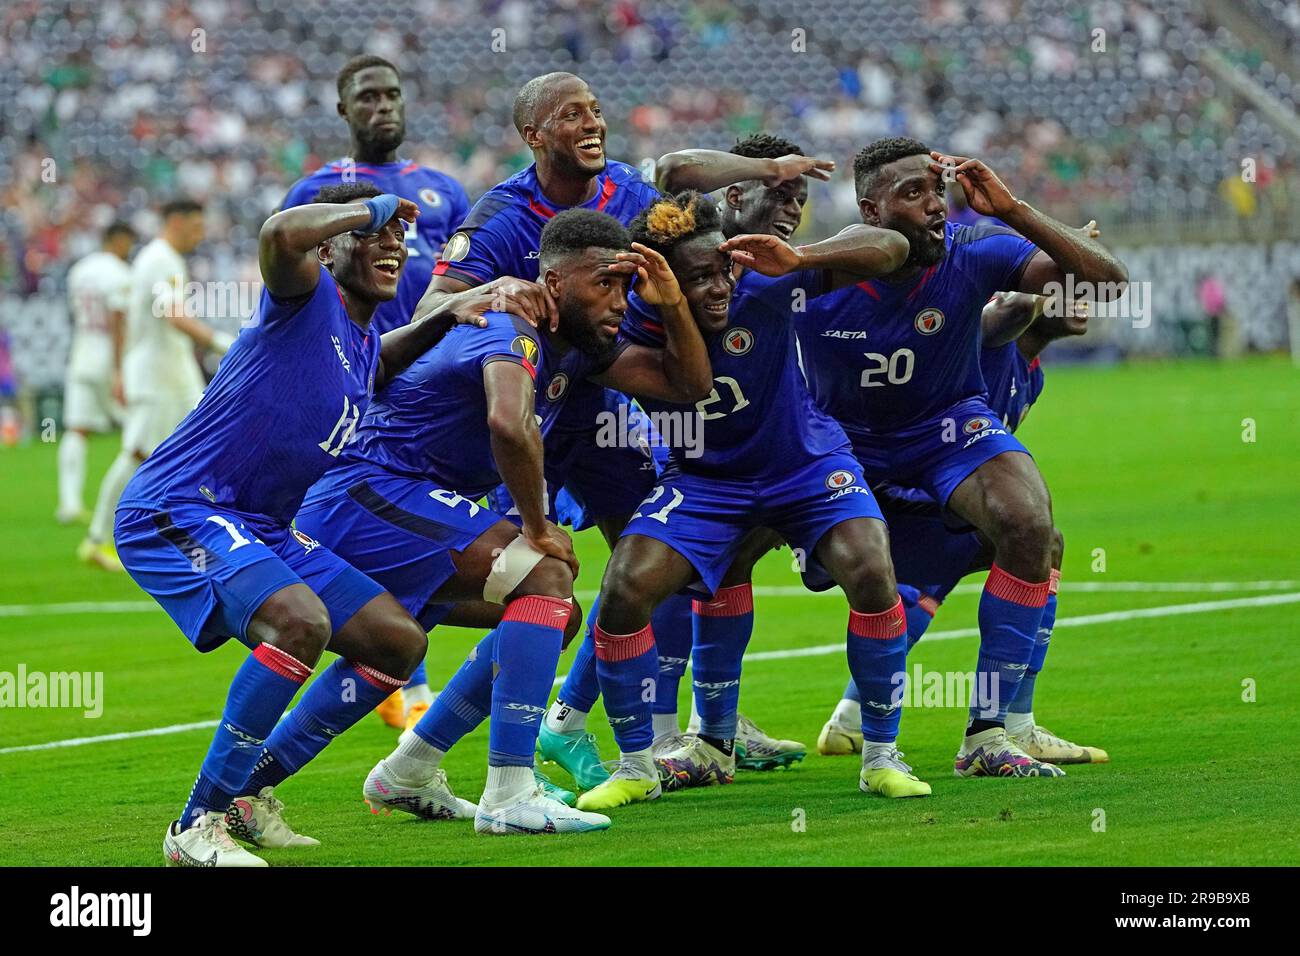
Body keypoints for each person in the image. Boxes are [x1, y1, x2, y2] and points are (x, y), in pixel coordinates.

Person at [293, 208, 711, 835]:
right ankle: (509, 792)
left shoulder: (577, 350)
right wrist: (539, 528)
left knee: (535, 616)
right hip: (368, 492)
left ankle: (399, 769)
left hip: (410, 504)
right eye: (604, 284)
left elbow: (690, 385)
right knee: (543, 576)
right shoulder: (512, 324)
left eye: (625, 287)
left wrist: (673, 305)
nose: (618, 302)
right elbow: (506, 423)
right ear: (555, 283)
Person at [115, 184, 458, 866]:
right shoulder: (304, 300)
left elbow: (385, 357)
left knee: (397, 643)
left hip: (259, 523)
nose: (392, 246)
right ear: (329, 251)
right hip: (177, 508)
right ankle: (194, 826)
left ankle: (251, 793)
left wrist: (453, 311)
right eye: (374, 238)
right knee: (300, 622)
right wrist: (376, 205)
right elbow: (278, 234)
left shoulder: (359, 342)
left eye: (398, 240)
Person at [575, 190, 932, 812]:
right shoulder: (622, 327)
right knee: (625, 587)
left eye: (723, 272)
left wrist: (799, 257)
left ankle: (880, 755)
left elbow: (893, 248)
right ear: (659, 282)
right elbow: (690, 382)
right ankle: (637, 765)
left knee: (871, 568)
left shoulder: (766, 287)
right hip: (705, 480)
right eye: (698, 279)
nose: (719, 289)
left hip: (805, 464)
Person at [795, 137, 1127, 778]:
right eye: (911, 193)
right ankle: (700, 731)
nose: (933, 205)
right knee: (710, 543)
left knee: (1030, 524)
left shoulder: (971, 253)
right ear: (870, 208)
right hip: (840, 444)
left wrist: (1014, 210)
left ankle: (990, 732)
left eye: (936, 190)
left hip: (945, 428)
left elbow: (1105, 283)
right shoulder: (818, 273)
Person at [819, 289, 1108, 765]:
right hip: (903, 498)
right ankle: (1011, 726)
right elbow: (1006, 309)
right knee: (1038, 545)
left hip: (927, 503)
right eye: (1062, 288)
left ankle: (849, 717)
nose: (1079, 301)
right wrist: (1033, 254)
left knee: (995, 553)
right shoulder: (988, 345)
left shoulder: (1030, 377)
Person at [81, 200, 229, 572]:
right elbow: (173, 314)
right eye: (195, 226)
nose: (200, 234)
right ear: (176, 222)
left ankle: (193, 533)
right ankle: (98, 538)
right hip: (159, 376)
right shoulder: (161, 260)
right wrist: (220, 343)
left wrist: (120, 370)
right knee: (139, 454)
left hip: (168, 372)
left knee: (197, 449)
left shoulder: (155, 259)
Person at [280, 54, 470, 339]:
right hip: (346, 354)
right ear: (344, 110)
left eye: (393, 95)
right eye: (368, 98)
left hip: (431, 356)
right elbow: (286, 277)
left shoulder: (446, 189)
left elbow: (471, 272)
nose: (384, 107)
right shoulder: (310, 192)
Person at [57, 220, 136, 526]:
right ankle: (139, 498)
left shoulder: (79, 270)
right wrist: (120, 368)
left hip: (81, 351)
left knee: (76, 429)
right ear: (118, 241)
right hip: (109, 354)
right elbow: (118, 319)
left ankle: (69, 503)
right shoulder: (118, 272)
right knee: (136, 428)